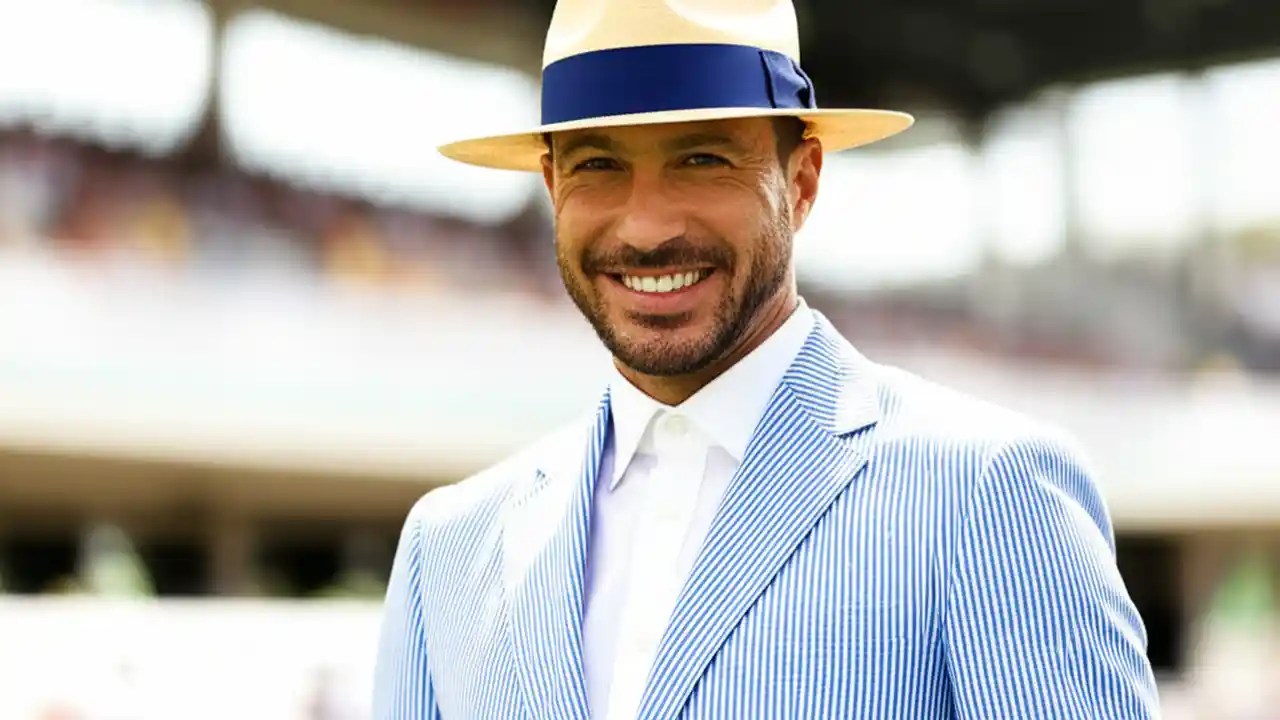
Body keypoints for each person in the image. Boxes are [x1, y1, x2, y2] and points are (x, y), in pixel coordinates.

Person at [374, 0, 1160, 718]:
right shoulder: (448, 547)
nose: (646, 227)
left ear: (802, 181)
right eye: (598, 165)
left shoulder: (986, 492)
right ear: (552, 186)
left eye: (702, 159)